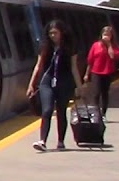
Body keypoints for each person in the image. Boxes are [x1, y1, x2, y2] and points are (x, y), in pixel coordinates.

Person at [26, 19, 83, 151]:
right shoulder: (45, 47)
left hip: (64, 81)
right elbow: (38, 66)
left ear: (62, 33)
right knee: (47, 110)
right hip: (47, 81)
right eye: (51, 33)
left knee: (61, 111)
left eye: (55, 33)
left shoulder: (70, 47)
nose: (53, 36)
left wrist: (79, 87)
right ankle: (42, 141)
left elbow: (74, 68)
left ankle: (61, 141)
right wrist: (32, 84)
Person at [83, 25, 119, 116]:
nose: (106, 36)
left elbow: (113, 56)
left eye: (108, 35)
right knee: (96, 93)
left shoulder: (114, 46)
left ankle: (103, 113)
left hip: (108, 72)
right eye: (105, 34)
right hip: (96, 72)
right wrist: (86, 74)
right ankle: (95, 113)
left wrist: (109, 45)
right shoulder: (95, 45)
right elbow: (90, 61)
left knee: (105, 93)